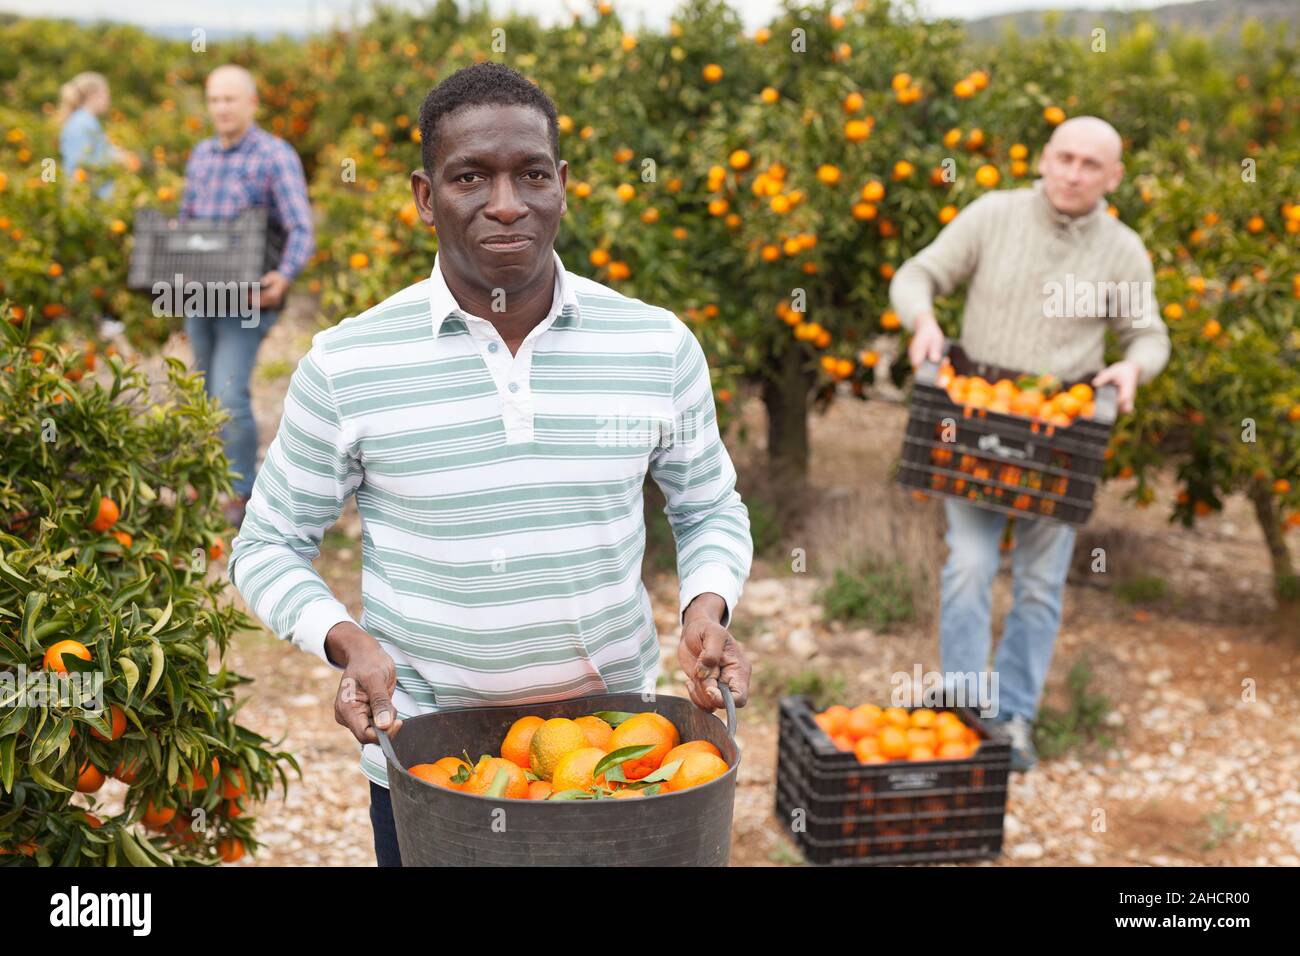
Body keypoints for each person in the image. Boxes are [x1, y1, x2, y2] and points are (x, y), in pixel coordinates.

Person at [228, 62, 754, 866]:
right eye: (470, 175)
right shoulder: (349, 363)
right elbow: (266, 544)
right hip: (440, 770)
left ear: (563, 185)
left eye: (531, 174)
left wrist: (705, 610)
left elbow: (709, 506)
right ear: (423, 195)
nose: (506, 203)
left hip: (622, 758)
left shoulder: (653, 345)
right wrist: (346, 642)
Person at [890, 116, 1170, 771]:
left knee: (1040, 587)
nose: (1073, 172)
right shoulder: (993, 215)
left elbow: (1148, 335)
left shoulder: (1122, 250)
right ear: (1043, 159)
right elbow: (916, 274)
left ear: (1114, 176)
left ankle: (1014, 717)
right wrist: (924, 320)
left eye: (1090, 164)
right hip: (978, 431)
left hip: (1059, 442)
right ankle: (963, 707)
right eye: (1064, 157)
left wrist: (1133, 368)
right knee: (969, 567)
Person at [179, 64, 315, 530]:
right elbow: (186, 223)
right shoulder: (200, 155)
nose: (221, 108)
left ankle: (242, 492)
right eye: (214, 99)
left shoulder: (274, 155)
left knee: (228, 393)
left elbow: (300, 226)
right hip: (201, 294)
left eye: (230, 99)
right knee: (198, 391)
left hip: (249, 299)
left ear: (252, 103)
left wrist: (284, 275)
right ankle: (204, 477)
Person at [57, 71, 129, 200]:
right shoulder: (82, 123)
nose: (109, 100)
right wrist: (117, 159)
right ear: (94, 95)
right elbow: (81, 162)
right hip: (84, 200)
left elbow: (96, 152)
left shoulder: (86, 121)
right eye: (106, 94)